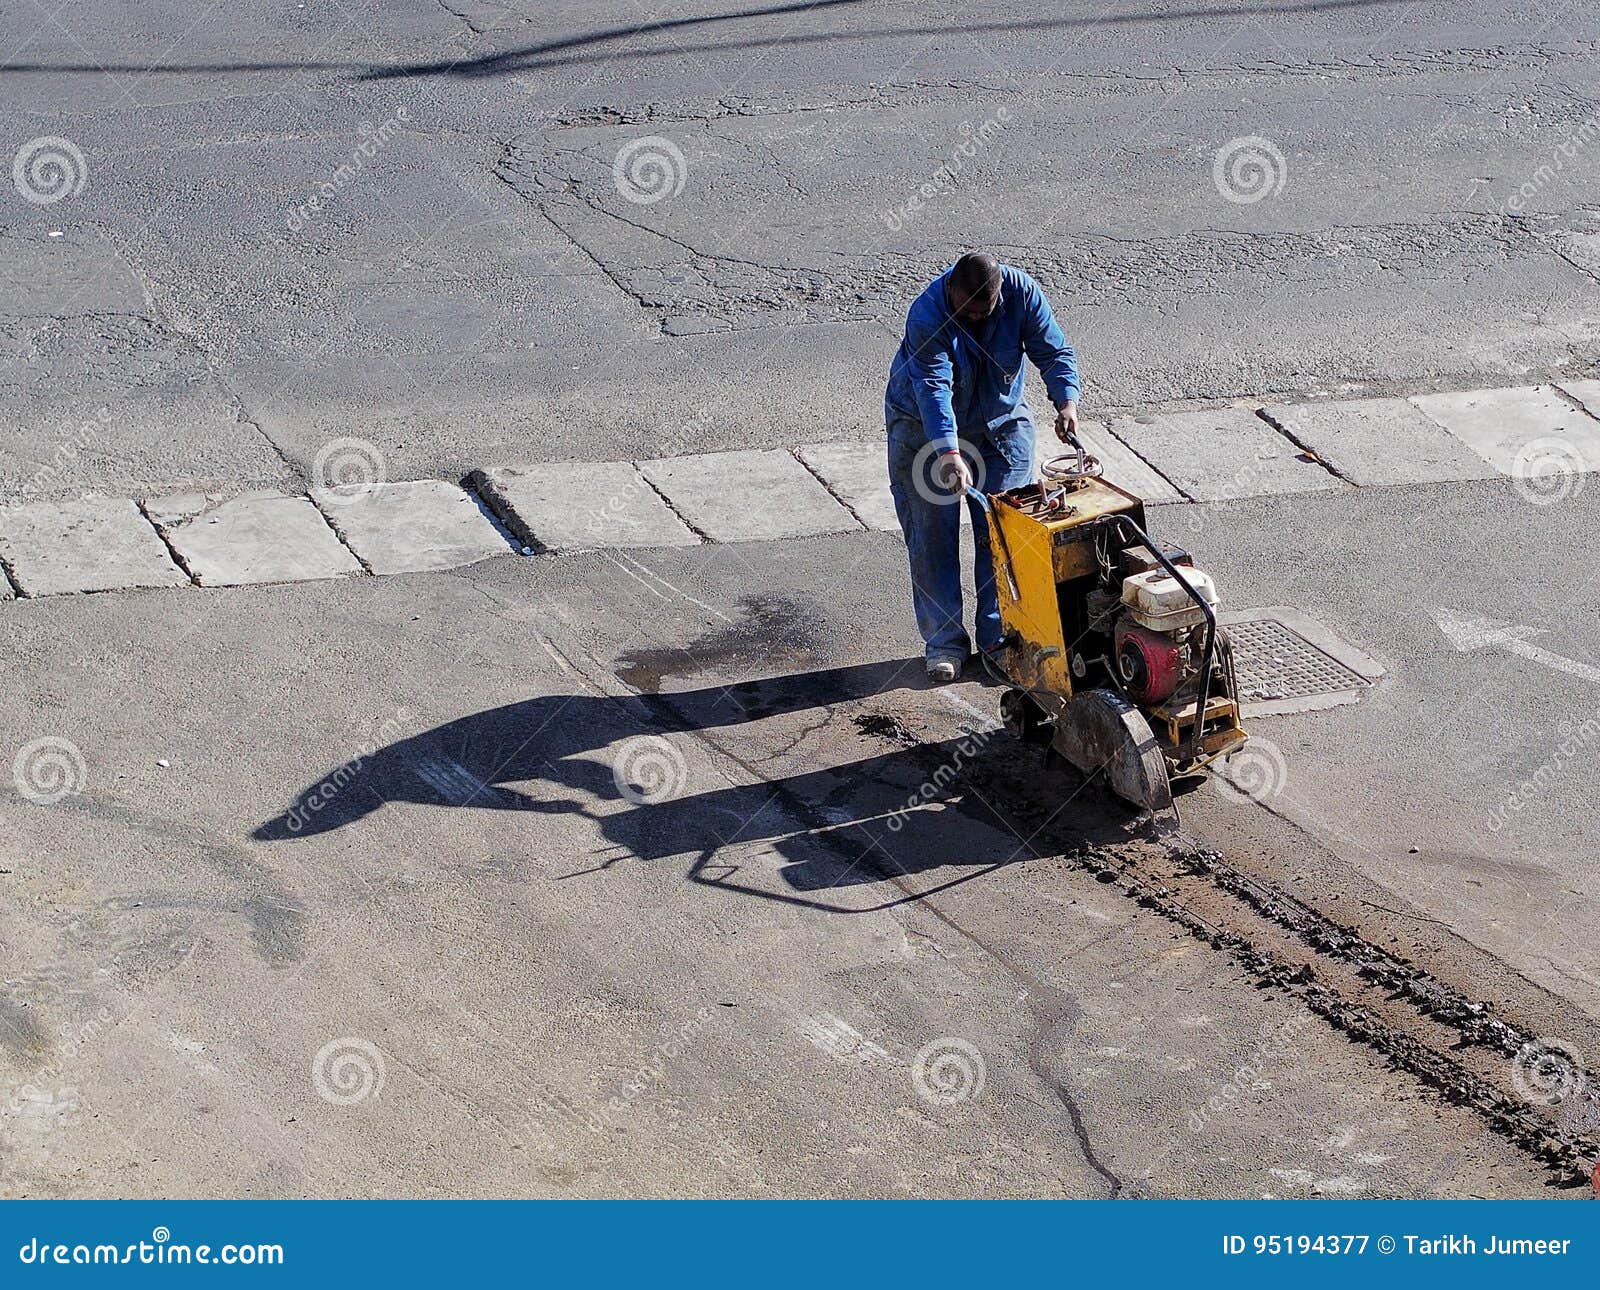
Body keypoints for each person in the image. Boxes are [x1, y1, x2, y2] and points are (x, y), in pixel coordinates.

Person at [885, 252, 1081, 682]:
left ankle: (999, 640)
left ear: (998, 296)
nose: (974, 317)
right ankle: (944, 643)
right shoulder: (927, 314)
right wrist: (949, 453)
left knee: (1004, 533)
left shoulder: (1022, 294)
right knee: (931, 533)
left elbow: (1054, 349)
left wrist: (1066, 401)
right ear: (951, 288)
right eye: (966, 309)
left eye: (983, 311)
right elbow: (933, 389)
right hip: (923, 427)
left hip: (999, 426)